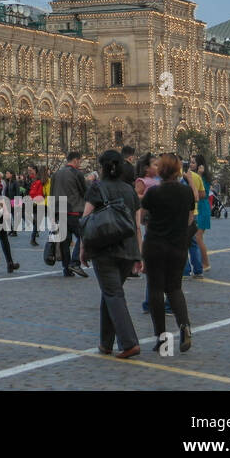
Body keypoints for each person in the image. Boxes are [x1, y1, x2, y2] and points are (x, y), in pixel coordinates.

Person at [79, 150, 141, 358]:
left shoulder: (96, 188)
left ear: (102, 167)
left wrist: (82, 249)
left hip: (104, 249)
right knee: (111, 292)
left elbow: (86, 221)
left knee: (113, 294)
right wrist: (138, 254)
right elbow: (137, 224)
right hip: (127, 249)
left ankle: (129, 342)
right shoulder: (130, 190)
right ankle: (106, 343)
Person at [140, 153, 194, 353]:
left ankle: (162, 339)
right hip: (178, 245)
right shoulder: (186, 192)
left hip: (155, 245)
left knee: (155, 290)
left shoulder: (154, 192)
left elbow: (143, 215)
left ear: (161, 171)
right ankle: (185, 325)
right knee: (174, 288)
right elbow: (189, 219)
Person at [51, 151, 89, 279]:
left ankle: (66, 269)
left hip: (58, 210)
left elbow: (51, 194)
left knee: (65, 241)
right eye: (80, 161)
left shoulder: (56, 174)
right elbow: (85, 192)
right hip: (73, 210)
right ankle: (75, 263)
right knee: (84, 235)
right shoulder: (76, 173)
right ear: (76, 160)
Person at [191, 156, 211, 273]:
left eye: (193, 162)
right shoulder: (196, 175)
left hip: (202, 209)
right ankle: (203, 262)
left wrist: (199, 174)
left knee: (198, 237)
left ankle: (206, 263)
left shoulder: (202, 177)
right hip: (198, 208)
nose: (191, 164)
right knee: (197, 237)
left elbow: (203, 193)